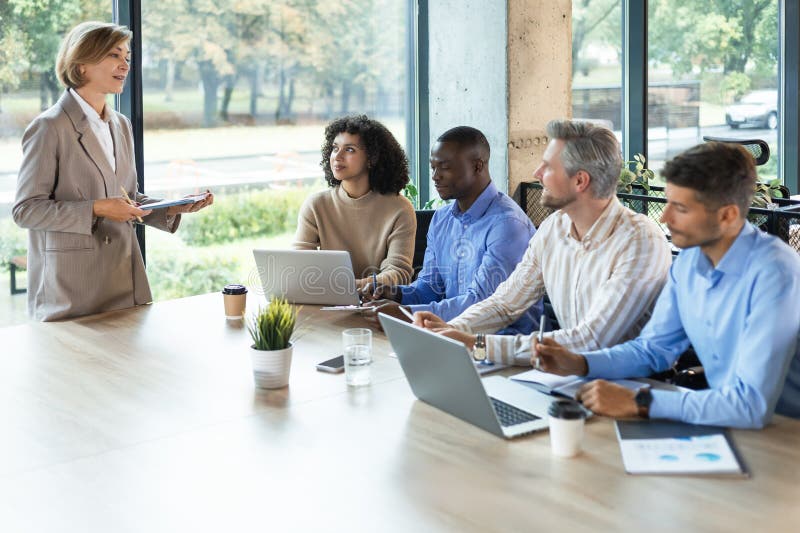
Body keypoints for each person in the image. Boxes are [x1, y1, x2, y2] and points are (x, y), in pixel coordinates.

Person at [534, 142, 800, 428]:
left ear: (727, 216)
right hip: (725, 421)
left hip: (784, 435)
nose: (664, 217)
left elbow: (750, 404)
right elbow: (653, 350)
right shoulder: (688, 263)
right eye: (668, 202)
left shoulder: (775, 271)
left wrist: (640, 402)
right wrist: (580, 363)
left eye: (681, 208)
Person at [414, 119, 672, 364]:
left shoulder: (640, 241)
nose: (537, 173)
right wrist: (448, 331)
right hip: (563, 378)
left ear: (580, 180)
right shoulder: (553, 229)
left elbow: (590, 340)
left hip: (629, 390)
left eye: (548, 167)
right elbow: (505, 303)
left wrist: (476, 344)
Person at [13, 21, 214, 322]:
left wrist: (171, 208)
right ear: (81, 65)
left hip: (124, 282)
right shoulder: (49, 127)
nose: (125, 64)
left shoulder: (120, 124)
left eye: (127, 57)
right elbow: (26, 210)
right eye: (114, 55)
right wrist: (97, 208)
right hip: (72, 292)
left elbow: (126, 199)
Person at [364, 126, 540, 334]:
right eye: (433, 167)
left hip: (502, 344)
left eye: (445, 167)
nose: (435, 176)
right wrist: (396, 295)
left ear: (477, 166)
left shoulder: (507, 224)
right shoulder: (441, 219)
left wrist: (406, 312)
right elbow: (430, 287)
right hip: (450, 334)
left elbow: (482, 305)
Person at [293, 115, 415, 290]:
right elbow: (298, 265)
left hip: (377, 304)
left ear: (372, 158)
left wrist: (349, 288)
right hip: (326, 302)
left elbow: (398, 273)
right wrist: (342, 289)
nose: (337, 156)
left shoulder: (400, 209)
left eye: (349, 150)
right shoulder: (316, 205)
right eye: (335, 148)